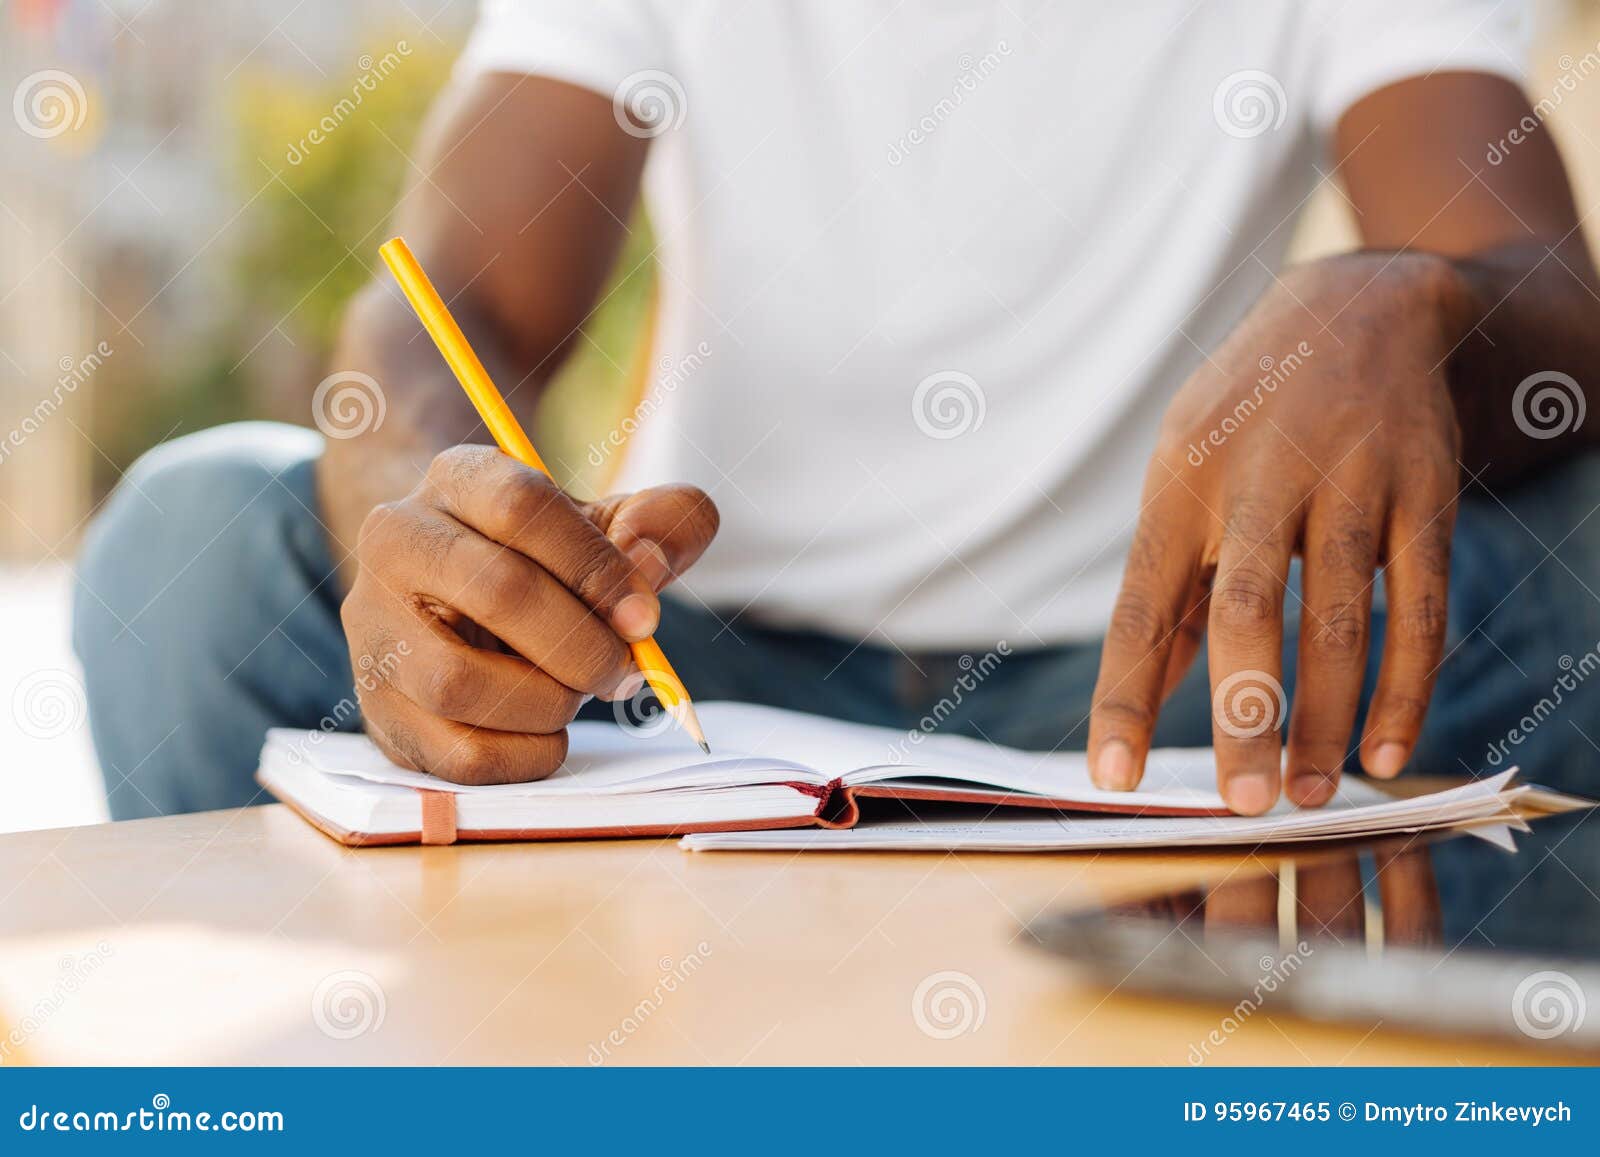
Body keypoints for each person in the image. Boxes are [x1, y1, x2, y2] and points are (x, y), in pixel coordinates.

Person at [75, 2, 1600, 831]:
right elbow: (450, 300)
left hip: (1170, 690)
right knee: (196, 540)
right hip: (669, 680)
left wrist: (1410, 300)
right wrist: (435, 537)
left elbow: (1551, 302)